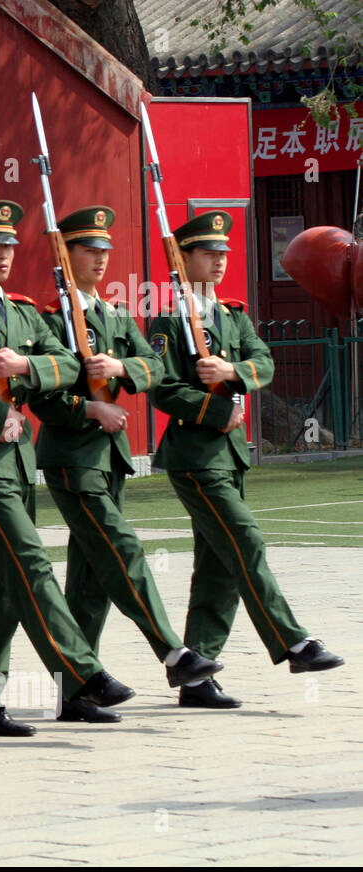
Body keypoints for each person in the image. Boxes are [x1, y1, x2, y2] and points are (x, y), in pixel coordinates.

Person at [0, 200, 137, 735]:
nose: (3, 254)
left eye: (9, 245)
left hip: (17, 465)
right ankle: (82, 672)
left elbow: (69, 365)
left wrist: (25, 366)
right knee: (31, 562)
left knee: (1, 585)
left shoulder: (20, 312)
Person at [147, 210, 345, 708]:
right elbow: (162, 389)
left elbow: (264, 362)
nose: (218, 261)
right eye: (208, 253)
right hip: (195, 454)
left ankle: (195, 677)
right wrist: (213, 407)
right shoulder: (170, 318)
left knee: (217, 564)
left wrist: (230, 369)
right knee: (245, 539)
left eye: (223, 254)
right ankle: (292, 642)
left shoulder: (231, 314)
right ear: (183, 258)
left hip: (232, 457)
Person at [29, 206, 222, 714]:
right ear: (64, 256)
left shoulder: (112, 314)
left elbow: (153, 364)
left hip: (109, 457)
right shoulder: (52, 319)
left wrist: (119, 366)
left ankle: (75, 689)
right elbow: (39, 395)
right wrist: (87, 405)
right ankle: (173, 651)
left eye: (104, 252)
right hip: (73, 455)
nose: (99, 260)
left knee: (92, 575)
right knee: (122, 549)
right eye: (89, 251)